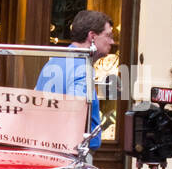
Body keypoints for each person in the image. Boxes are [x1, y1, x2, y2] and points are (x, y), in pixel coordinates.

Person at [36, 10, 115, 148]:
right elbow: (76, 116)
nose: (112, 41)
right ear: (92, 36)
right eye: (108, 36)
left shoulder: (54, 61)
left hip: (51, 148)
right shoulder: (82, 68)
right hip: (73, 154)